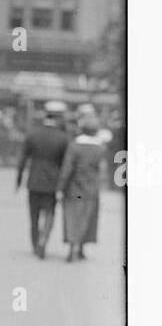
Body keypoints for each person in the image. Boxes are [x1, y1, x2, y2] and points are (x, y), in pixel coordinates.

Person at [15, 102, 70, 258]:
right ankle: (43, 240)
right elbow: (66, 164)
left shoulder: (33, 135)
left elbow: (22, 160)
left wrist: (18, 181)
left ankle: (35, 243)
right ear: (59, 118)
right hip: (53, 183)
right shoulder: (64, 138)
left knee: (34, 215)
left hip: (34, 181)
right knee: (50, 214)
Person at [58, 111, 107, 261]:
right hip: (91, 189)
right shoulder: (100, 148)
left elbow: (67, 168)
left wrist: (60, 187)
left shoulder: (74, 145)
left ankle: (72, 247)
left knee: (73, 215)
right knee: (88, 217)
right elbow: (103, 171)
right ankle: (82, 248)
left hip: (74, 188)